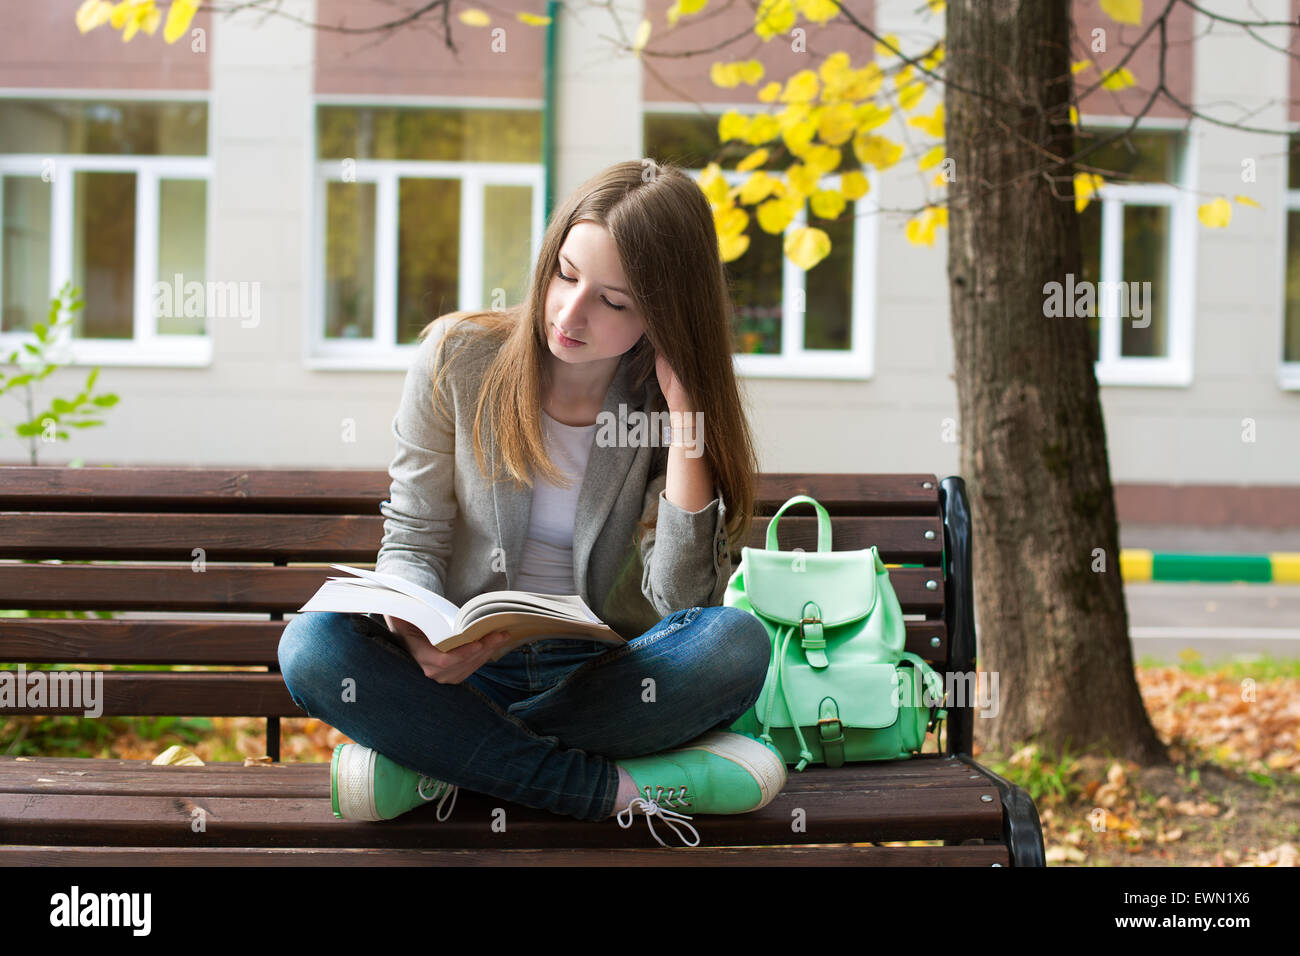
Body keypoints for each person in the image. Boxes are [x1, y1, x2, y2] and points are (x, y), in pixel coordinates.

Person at [277, 159, 785, 847]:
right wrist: (416, 635)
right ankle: (610, 789)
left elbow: (680, 601)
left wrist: (687, 417)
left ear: (664, 313)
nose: (570, 313)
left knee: (735, 644)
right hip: (458, 676)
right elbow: (413, 538)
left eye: (614, 302)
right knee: (310, 645)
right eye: (566, 275)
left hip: (606, 683)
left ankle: (439, 762)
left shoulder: (660, 407)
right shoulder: (458, 358)